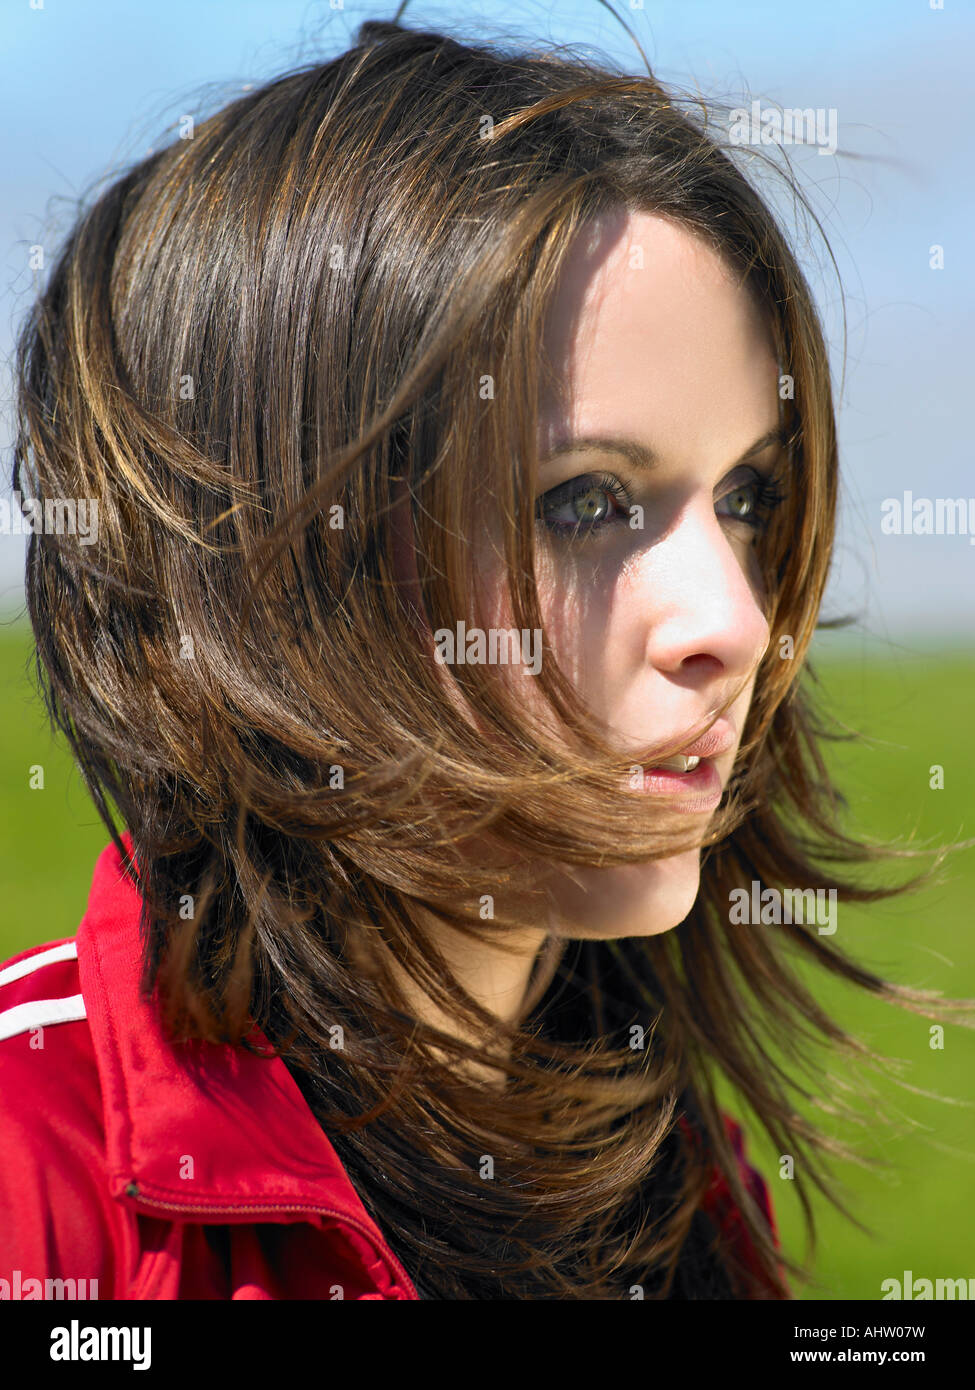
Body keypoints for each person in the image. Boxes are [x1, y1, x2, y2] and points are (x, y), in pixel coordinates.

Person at [2, 18, 968, 1301]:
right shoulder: (41, 1187)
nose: (733, 619)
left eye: (744, 497)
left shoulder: (670, 1187)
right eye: (586, 503)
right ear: (266, 560)